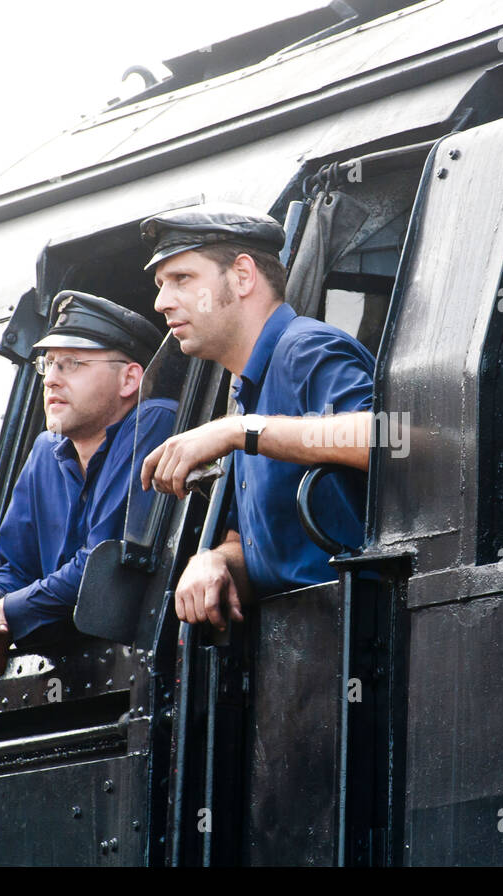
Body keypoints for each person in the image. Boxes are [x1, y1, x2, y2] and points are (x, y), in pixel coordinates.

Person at [138, 203, 376, 631]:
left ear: (243, 276)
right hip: (304, 643)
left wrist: (237, 431)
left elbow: (386, 437)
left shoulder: (305, 349)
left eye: (181, 279)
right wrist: (214, 561)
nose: (161, 302)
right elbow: (252, 543)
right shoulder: (248, 392)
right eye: (160, 284)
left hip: (354, 635)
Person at [0, 290, 175, 697]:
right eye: (48, 363)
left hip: (141, 676)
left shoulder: (154, 423)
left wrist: (3, 616)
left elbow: (103, 562)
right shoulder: (43, 452)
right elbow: (17, 568)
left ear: (129, 379)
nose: (50, 378)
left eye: (72, 363)